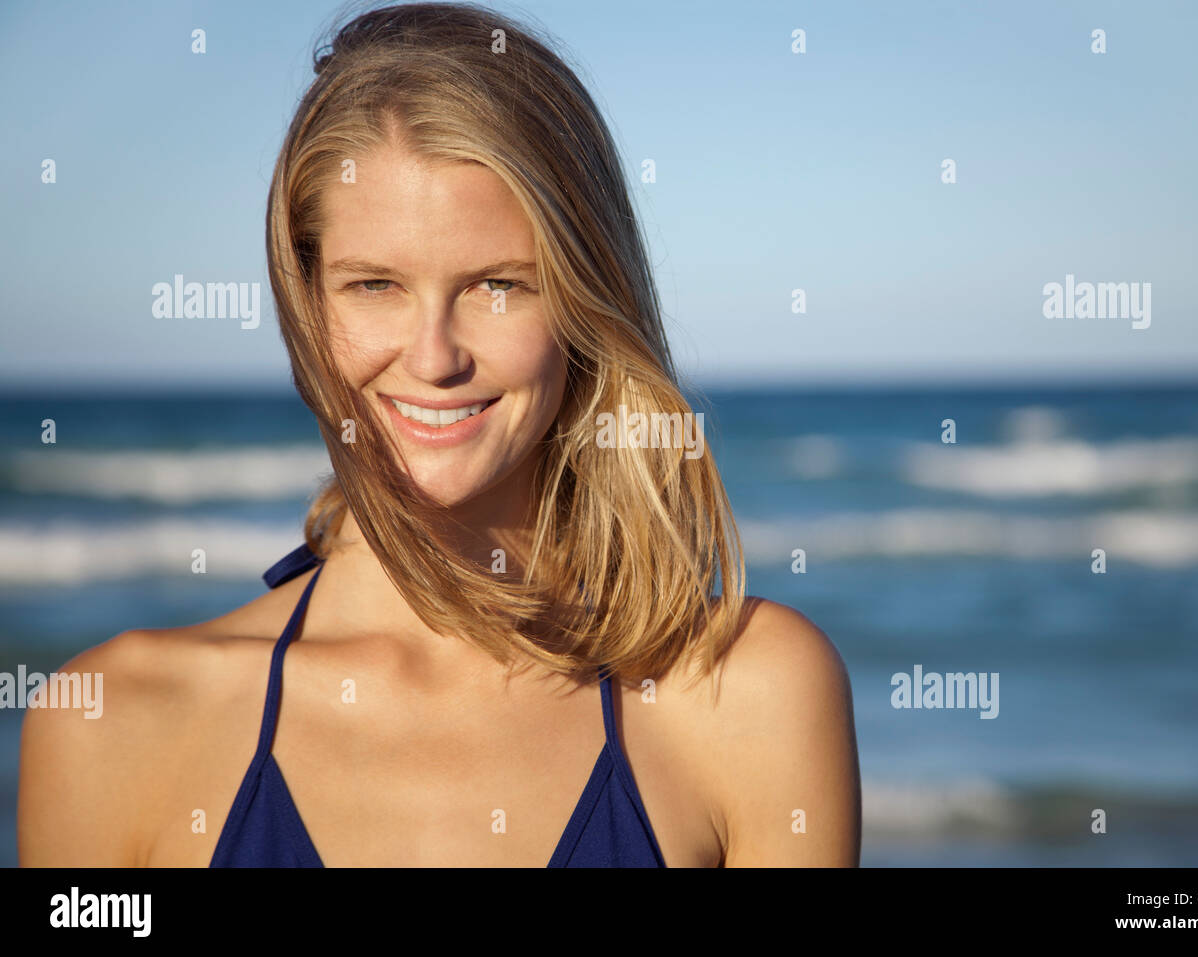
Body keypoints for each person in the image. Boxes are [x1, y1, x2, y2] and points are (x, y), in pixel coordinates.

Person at [17, 1, 860, 867]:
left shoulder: (751, 693)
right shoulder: (109, 722)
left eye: (496, 285)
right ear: (306, 301)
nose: (433, 357)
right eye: (373, 285)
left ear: (583, 300)